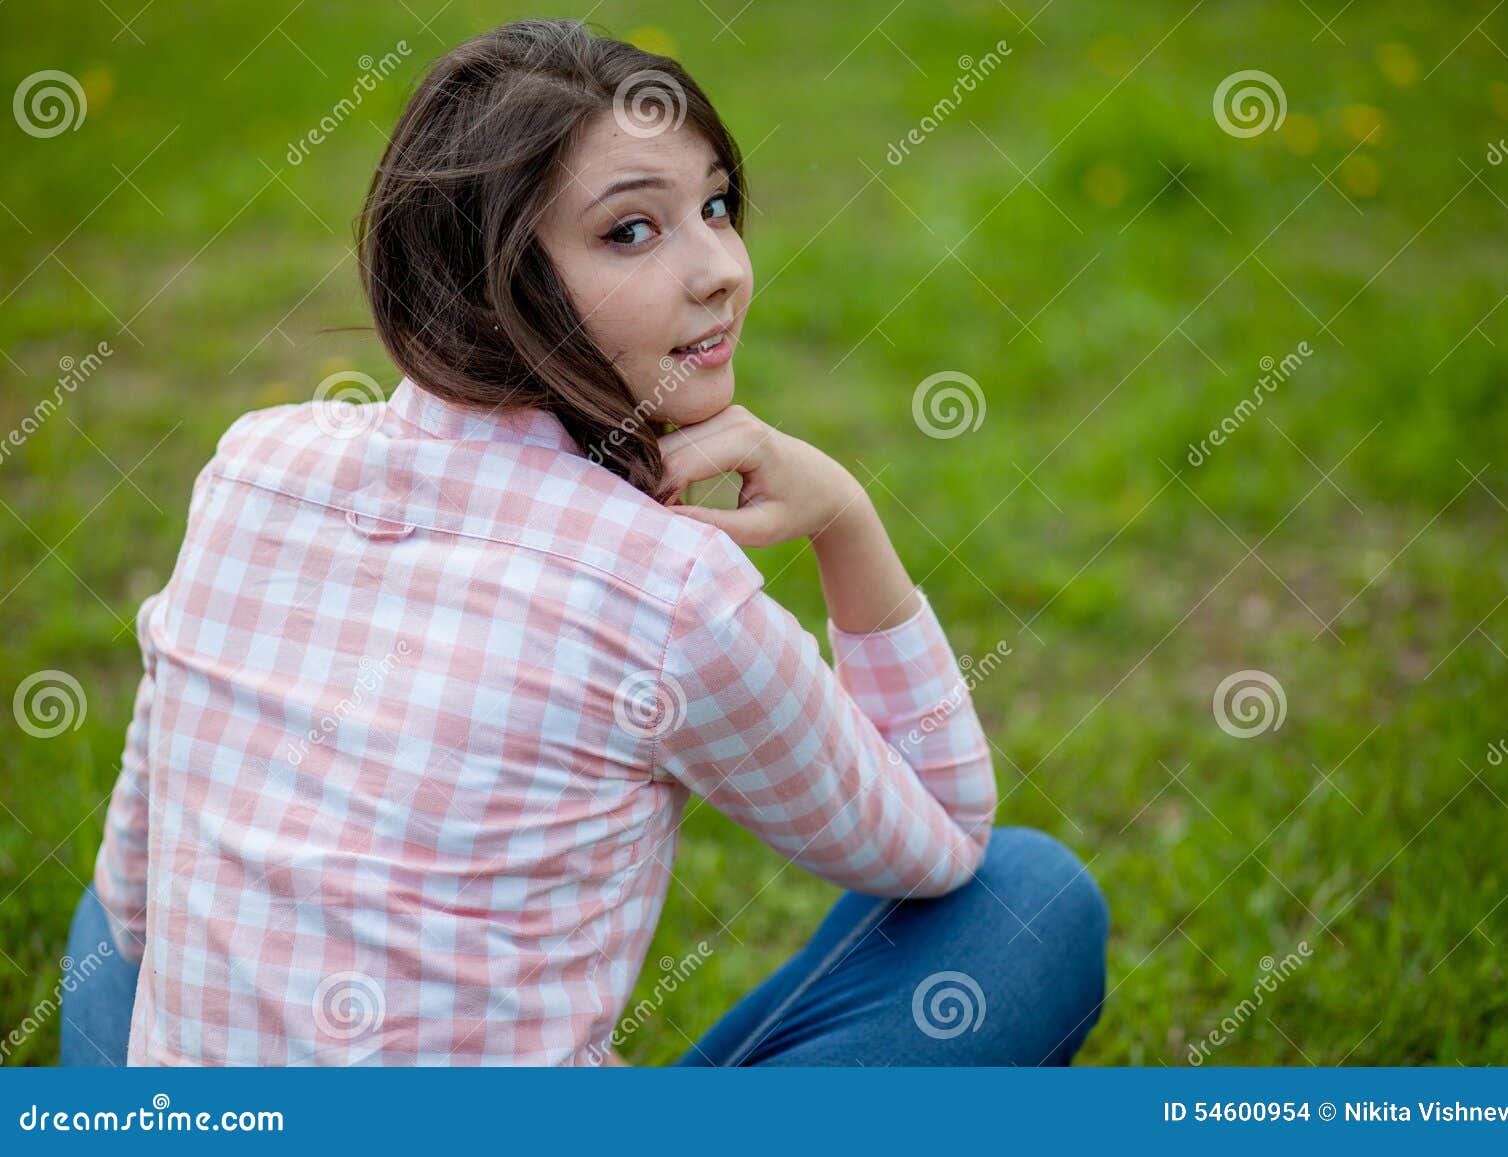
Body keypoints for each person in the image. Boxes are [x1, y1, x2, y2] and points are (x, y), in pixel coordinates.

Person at [61, 17, 1108, 1067]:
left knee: (109, 920)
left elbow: (135, 901)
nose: (722, 272)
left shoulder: (250, 466)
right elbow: (937, 835)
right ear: (486, 282)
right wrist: (843, 516)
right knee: (1030, 902)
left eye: (714, 206)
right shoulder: (669, 586)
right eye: (631, 232)